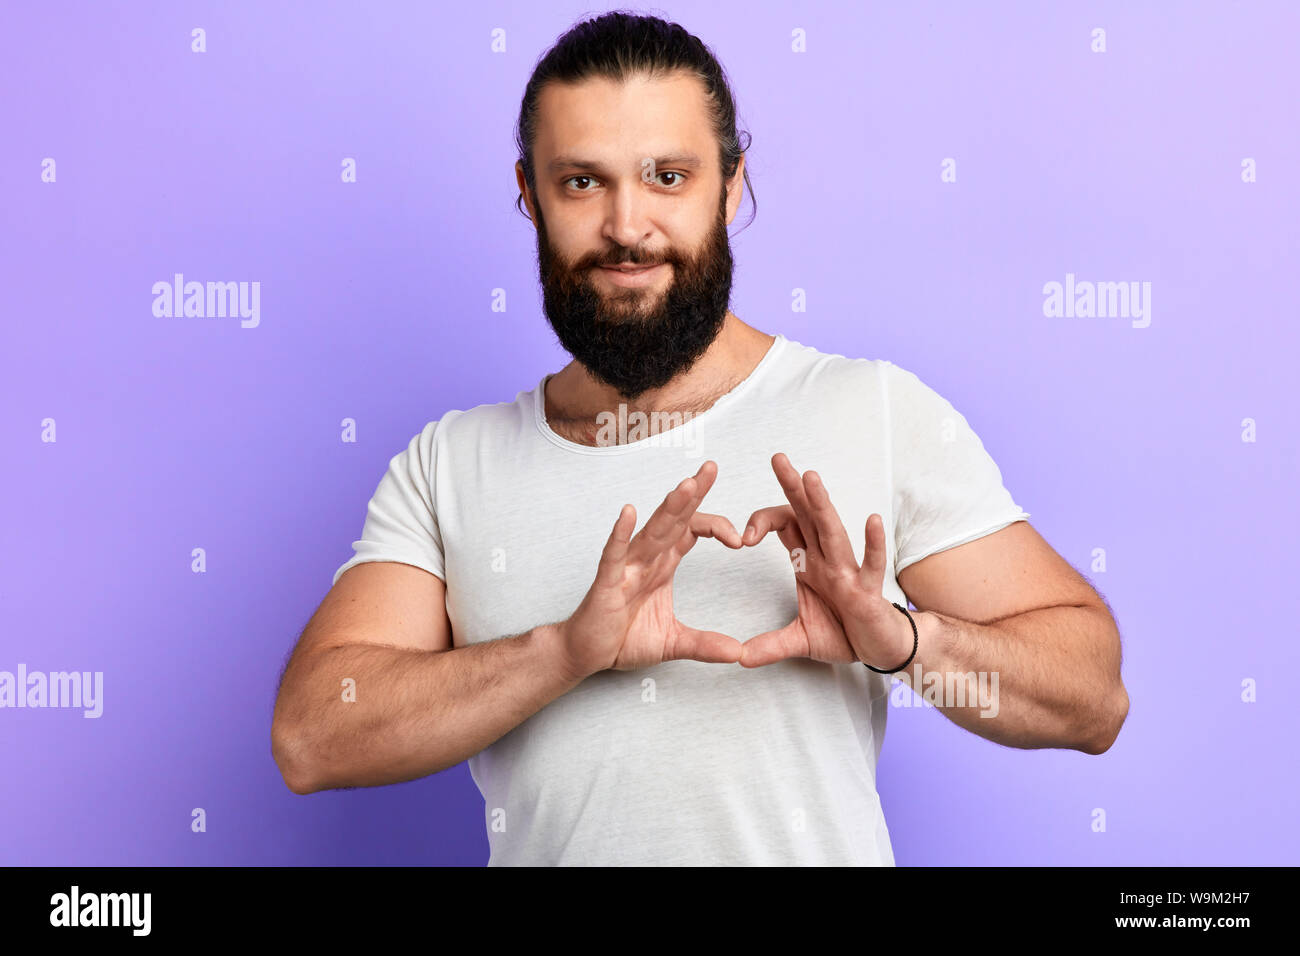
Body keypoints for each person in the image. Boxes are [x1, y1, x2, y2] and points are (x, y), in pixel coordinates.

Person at [271, 11, 1128, 866]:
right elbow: (312, 737)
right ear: (530, 194)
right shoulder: (449, 464)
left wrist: (905, 642)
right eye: (582, 183)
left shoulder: (872, 409)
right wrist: (566, 650)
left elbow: (1093, 701)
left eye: (668, 176)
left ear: (731, 185)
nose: (627, 225)